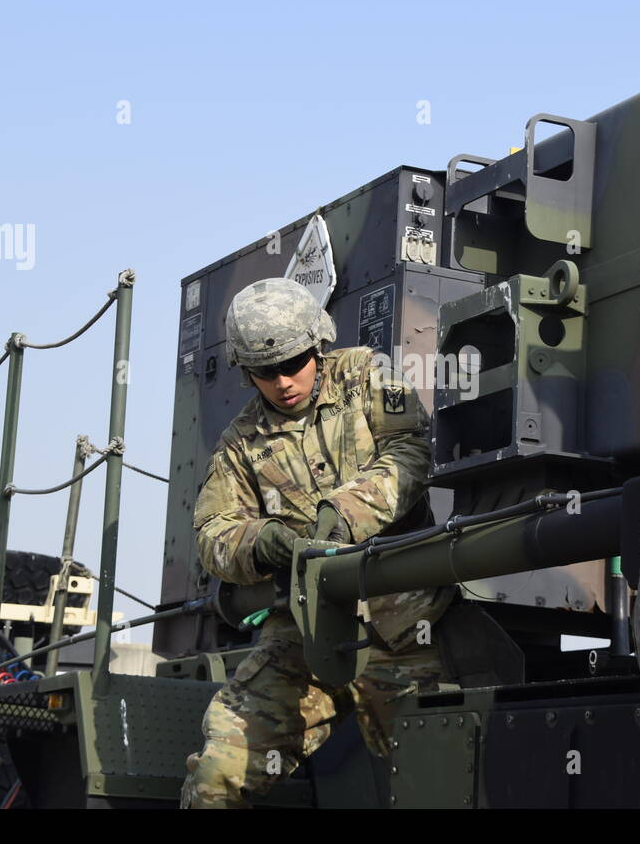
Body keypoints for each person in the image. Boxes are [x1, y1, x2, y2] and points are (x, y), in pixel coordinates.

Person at [180, 277, 455, 809]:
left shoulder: (367, 375)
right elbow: (212, 535)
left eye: (294, 362)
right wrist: (265, 542)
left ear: (318, 344)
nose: (283, 381)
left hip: (405, 631)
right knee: (216, 779)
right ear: (246, 372)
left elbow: (411, 451)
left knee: (442, 782)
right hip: (303, 640)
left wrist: (343, 513)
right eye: (265, 372)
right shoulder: (239, 443)